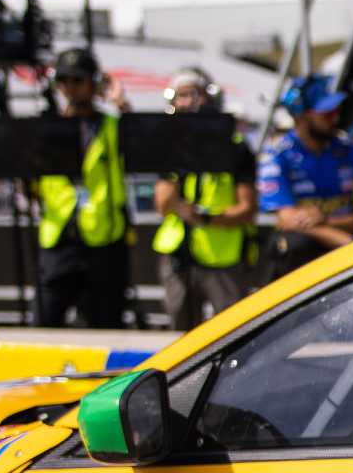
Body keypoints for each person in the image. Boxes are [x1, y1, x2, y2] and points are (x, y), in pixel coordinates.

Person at [151, 66, 259, 330]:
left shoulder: (235, 146)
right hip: (179, 253)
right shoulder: (170, 145)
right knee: (181, 333)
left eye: (192, 95)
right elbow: (163, 204)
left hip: (222, 257)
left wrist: (206, 217)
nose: (185, 103)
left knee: (231, 331)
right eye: (179, 96)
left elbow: (247, 208)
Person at [34, 47, 130, 328]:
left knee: (105, 324)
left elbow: (143, 142)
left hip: (103, 238)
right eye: (64, 81)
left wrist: (120, 104)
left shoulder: (112, 125)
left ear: (93, 82)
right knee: (45, 322)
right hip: (59, 236)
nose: (70, 88)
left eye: (78, 80)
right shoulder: (45, 128)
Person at [256, 77, 353, 277]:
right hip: (311, 257)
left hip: (349, 251)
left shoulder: (351, 151)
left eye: (335, 112)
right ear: (302, 117)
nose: (335, 118)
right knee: (292, 244)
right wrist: (342, 240)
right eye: (327, 114)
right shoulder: (278, 156)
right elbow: (287, 220)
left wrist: (326, 220)